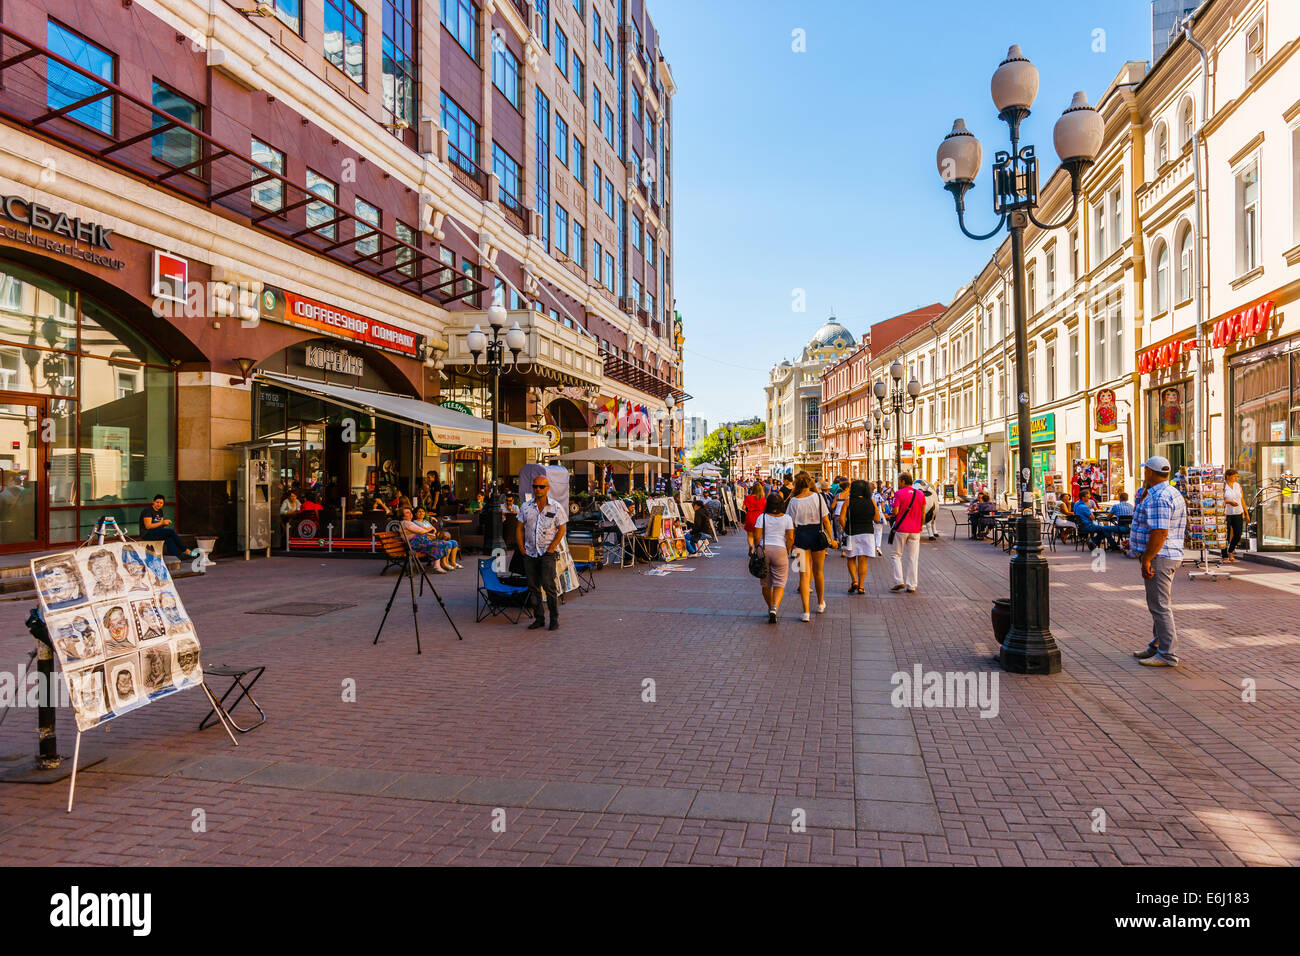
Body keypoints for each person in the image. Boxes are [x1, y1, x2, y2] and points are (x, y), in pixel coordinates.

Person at [1129, 456, 1188, 667]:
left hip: (1160, 557)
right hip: (1165, 555)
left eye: (1145, 470)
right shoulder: (1169, 492)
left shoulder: (1159, 497)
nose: (1144, 473)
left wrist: (1147, 558)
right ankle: (1157, 645)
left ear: (1150, 473)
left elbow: (1160, 531)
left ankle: (1167, 654)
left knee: (1160, 606)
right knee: (1157, 604)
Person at [516, 473, 567, 632]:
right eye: (535, 486)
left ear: (547, 488)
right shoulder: (526, 506)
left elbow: (562, 529)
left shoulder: (555, 507)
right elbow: (519, 527)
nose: (537, 489)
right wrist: (521, 548)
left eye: (541, 487)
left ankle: (554, 618)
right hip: (530, 553)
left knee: (548, 585)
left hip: (547, 552)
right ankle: (539, 618)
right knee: (533, 587)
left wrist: (551, 548)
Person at [786, 471, 838, 622]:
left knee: (803, 574)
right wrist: (832, 539)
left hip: (801, 536)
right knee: (818, 571)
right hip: (817, 534)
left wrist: (790, 543)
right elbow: (826, 520)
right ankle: (820, 602)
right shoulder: (818, 497)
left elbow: (791, 526)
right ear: (809, 482)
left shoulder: (793, 501)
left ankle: (806, 612)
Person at [756, 492, 795, 624]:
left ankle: (769, 607)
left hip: (765, 549)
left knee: (765, 583)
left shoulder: (762, 517)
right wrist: (787, 549)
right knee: (779, 583)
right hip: (780, 550)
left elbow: (757, 536)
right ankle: (775, 607)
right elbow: (790, 537)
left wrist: (757, 548)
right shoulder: (787, 518)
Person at [888, 473, 926, 594]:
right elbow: (923, 513)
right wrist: (920, 525)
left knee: (896, 555)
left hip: (901, 529)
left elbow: (896, 511)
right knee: (913, 557)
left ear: (903, 481)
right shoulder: (920, 494)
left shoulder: (898, 493)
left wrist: (892, 513)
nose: (898, 483)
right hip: (915, 530)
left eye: (899, 481)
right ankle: (912, 585)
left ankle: (899, 580)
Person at [842, 480, 880, 595]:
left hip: (852, 533)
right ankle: (861, 586)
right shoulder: (871, 502)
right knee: (863, 560)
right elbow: (877, 519)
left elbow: (841, 518)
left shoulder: (848, 502)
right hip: (867, 534)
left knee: (851, 558)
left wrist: (846, 529)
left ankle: (854, 581)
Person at [139, 495, 198, 560]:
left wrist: (164, 524)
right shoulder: (148, 511)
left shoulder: (160, 511)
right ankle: (186, 550)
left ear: (163, 504)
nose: (159, 504)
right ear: (153, 502)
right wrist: (162, 523)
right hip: (147, 534)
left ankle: (176, 557)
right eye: (157, 502)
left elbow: (160, 526)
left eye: (161, 503)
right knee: (171, 531)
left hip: (156, 532)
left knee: (170, 539)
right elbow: (148, 526)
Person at [399, 507, 455, 573]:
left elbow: (422, 530)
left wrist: (430, 531)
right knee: (437, 544)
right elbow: (420, 531)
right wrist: (431, 528)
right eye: (407, 512)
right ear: (402, 516)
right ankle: (437, 567)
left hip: (420, 542)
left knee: (443, 542)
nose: (410, 513)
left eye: (410, 512)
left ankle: (443, 564)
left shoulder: (409, 522)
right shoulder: (406, 523)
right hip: (414, 544)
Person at [1223, 468, 1245, 562]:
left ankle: (1230, 550)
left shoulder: (1237, 485)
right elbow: (1218, 500)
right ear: (1228, 476)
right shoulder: (1223, 486)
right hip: (1226, 513)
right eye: (1235, 476)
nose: (1236, 478)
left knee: (1238, 534)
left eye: (1237, 476)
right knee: (1225, 535)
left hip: (1237, 512)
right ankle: (1224, 555)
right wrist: (1228, 502)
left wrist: (1245, 512)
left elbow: (1242, 499)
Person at [742, 481, 766, 554]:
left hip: (750, 516)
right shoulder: (763, 499)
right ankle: (756, 549)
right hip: (759, 517)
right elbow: (765, 509)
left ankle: (750, 547)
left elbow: (743, 508)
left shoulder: (748, 497)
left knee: (750, 535)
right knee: (758, 535)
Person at [872, 484, 890, 557]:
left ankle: (872, 550)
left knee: (871, 533)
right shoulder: (877, 495)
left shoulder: (866, 495)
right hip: (878, 515)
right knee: (878, 532)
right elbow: (882, 503)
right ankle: (878, 546)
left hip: (869, 515)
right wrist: (882, 509)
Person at [832, 478, 849, 547]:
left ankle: (840, 544)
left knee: (839, 530)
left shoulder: (838, 495)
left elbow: (832, 506)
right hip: (846, 515)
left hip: (837, 514)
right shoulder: (849, 496)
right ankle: (846, 544)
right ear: (847, 488)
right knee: (846, 529)